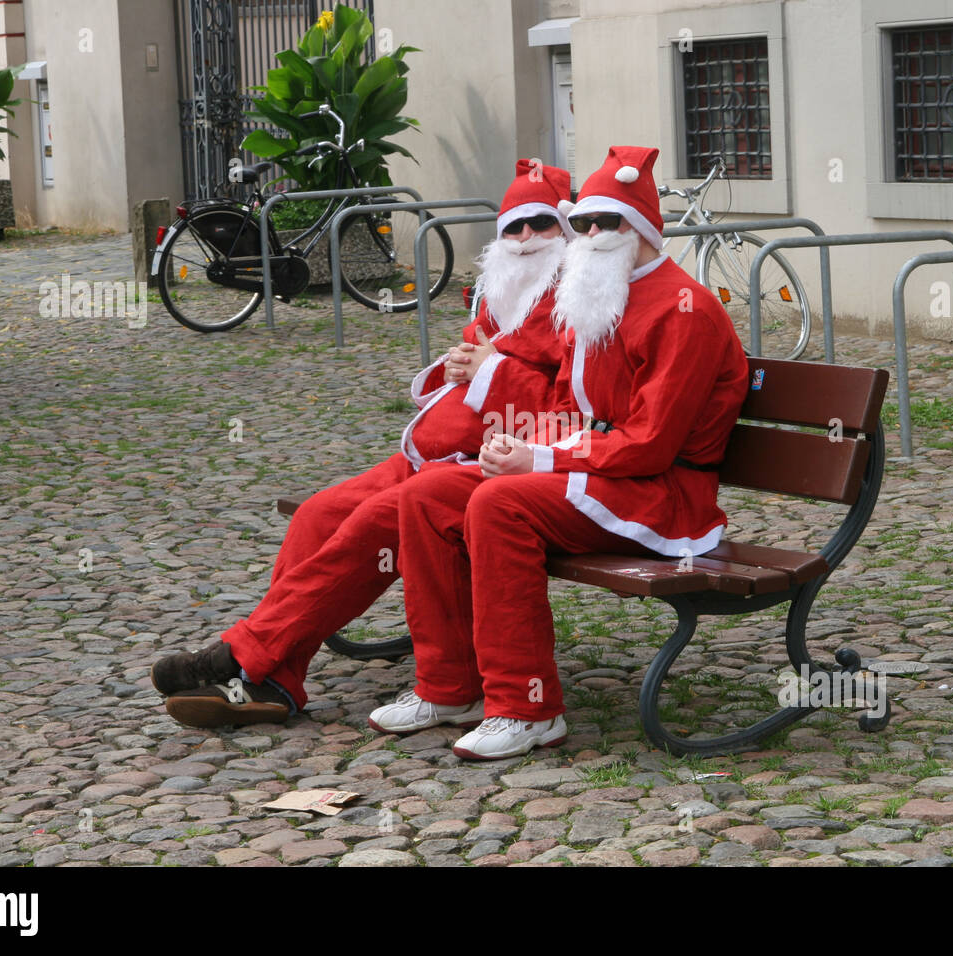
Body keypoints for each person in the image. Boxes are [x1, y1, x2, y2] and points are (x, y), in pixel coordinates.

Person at [151, 160, 575, 728]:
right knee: (318, 514)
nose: (525, 241)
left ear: (566, 232)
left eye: (540, 225)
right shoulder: (501, 293)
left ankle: (248, 658)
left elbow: (565, 410)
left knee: (381, 521)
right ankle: (279, 679)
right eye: (513, 228)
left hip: (495, 467)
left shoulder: (579, 303)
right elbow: (476, 366)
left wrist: (491, 371)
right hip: (437, 452)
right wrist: (457, 369)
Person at [372, 146, 751, 759]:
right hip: (603, 469)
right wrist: (524, 444)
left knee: (500, 506)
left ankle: (527, 709)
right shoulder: (596, 296)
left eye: (613, 222)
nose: (595, 234)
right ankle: (447, 687)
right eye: (585, 222)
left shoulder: (687, 311)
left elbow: (650, 443)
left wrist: (539, 461)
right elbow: (583, 413)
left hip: (664, 497)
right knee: (427, 495)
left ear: (646, 230)